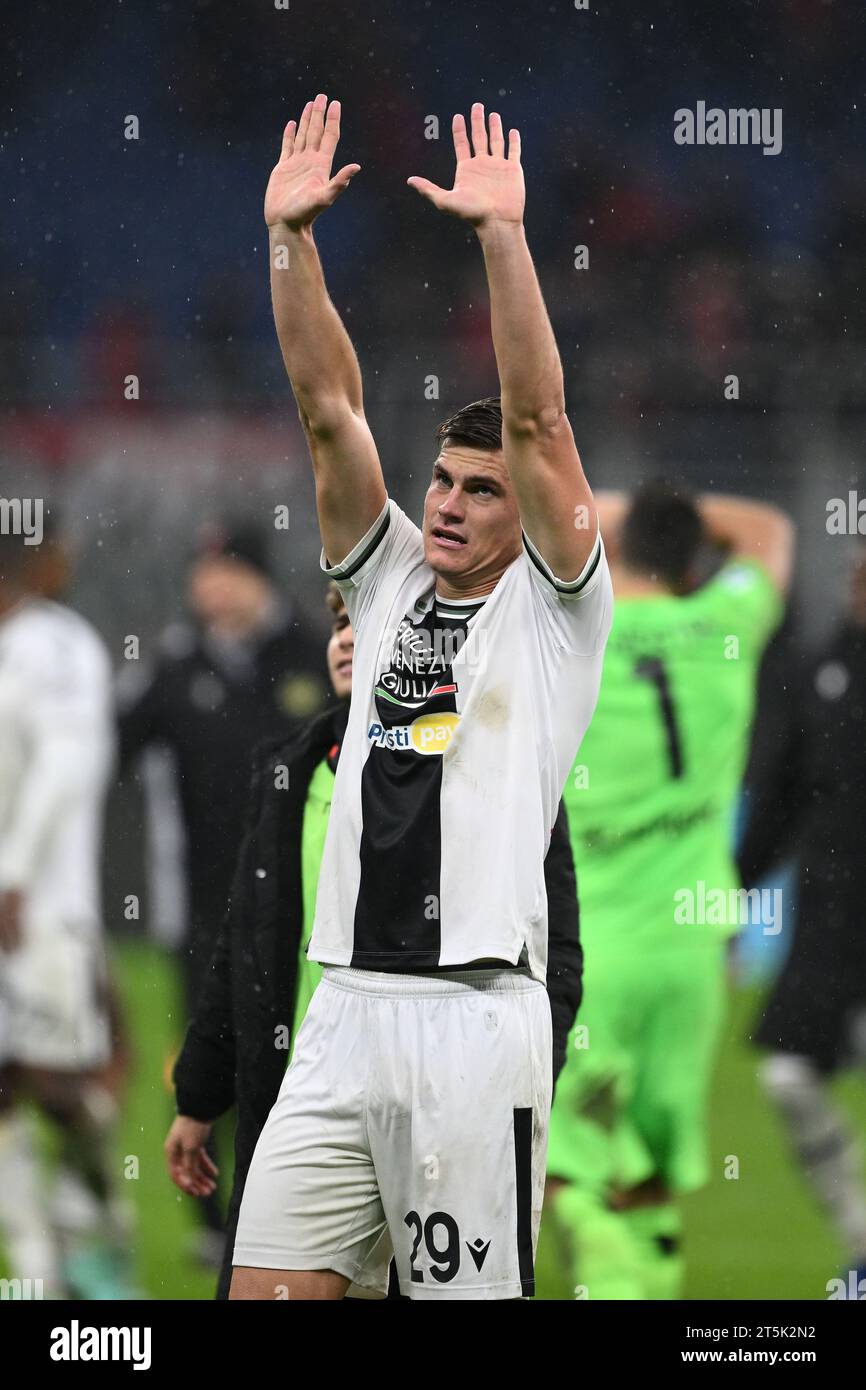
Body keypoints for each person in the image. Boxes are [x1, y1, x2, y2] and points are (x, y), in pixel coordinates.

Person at [228, 92, 612, 1301]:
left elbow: (541, 419)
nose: (445, 503)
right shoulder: (389, 575)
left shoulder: (555, 612)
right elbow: (327, 410)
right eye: (440, 480)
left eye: (479, 491)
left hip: (473, 1018)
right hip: (342, 1010)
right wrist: (290, 241)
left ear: (528, 513)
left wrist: (499, 237)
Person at [165, 582, 584, 1300]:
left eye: (371, 623)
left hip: (443, 1102)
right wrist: (198, 1096)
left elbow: (557, 955)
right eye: (337, 623)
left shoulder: (498, 773)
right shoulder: (288, 770)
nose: (349, 638)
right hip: (306, 1091)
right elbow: (243, 946)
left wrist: (516, 1093)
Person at [545, 481, 794, 1299]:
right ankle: (645, 1290)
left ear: (615, 552)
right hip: (691, 950)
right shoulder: (726, 624)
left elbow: (528, 530)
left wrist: (608, 511)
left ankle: (613, 1289)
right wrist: (671, 515)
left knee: (562, 1163)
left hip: (592, 948)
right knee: (650, 1159)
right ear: (693, 562)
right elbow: (767, 529)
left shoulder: (577, 631)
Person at [117, 519, 328, 1254]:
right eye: (201, 572)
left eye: (225, 570)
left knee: (296, 1056)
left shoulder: (313, 653)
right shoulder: (174, 669)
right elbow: (109, 748)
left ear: (258, 577)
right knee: (209, 1056)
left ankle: (278, 1209)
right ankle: (214, 1223)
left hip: (311, 899)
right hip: (206, 904)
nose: (209, 586)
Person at [0, 524, 135, 1298]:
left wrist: (14, 875)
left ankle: (97, 1247)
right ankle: (37, 1274)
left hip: (43, 913)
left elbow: (66, 764)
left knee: (53, 1086)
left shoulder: (55, 646)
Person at [738, 539, 866, 1289]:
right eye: (855, 567)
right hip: (825, 933)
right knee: (787, 1079)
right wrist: (726, 896)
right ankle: (860, 1244)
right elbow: (781, 803)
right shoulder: (816, 671)